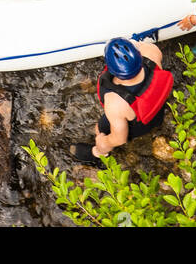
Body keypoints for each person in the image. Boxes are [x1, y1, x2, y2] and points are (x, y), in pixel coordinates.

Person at [71, 36, 174, 167]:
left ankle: (97, 154)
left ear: (112, 70)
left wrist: (105, 142)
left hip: (136, 125)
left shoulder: (116, 102)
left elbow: (119, 138)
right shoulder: (152, 52)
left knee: (100, 128)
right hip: (156, 112)